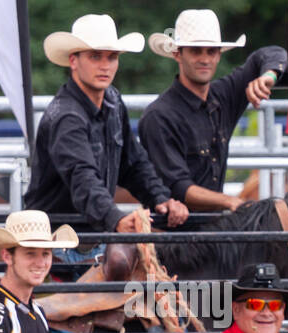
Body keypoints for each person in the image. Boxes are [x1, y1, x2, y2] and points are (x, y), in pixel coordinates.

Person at [24, 14, 189, 259]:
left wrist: (160, 198)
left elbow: (132, 163)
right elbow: (83, 178)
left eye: (111, 57)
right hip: (55, 242)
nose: (105, 65)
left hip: (89, 236)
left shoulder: (112, 101)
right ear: (73, 60)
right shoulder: (66, 116)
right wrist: (115, 218)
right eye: (95, 56)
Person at [138, 9, 288, 213]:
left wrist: (268, 76)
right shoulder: (159, 116)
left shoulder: (223, 96)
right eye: (196, 50)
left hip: (213, 227)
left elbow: (272, 53)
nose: (205, 58)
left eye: (211, 51)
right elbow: (179, 187)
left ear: (219, 55)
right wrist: (229, 201)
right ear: (177, 54)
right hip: (172, 233)